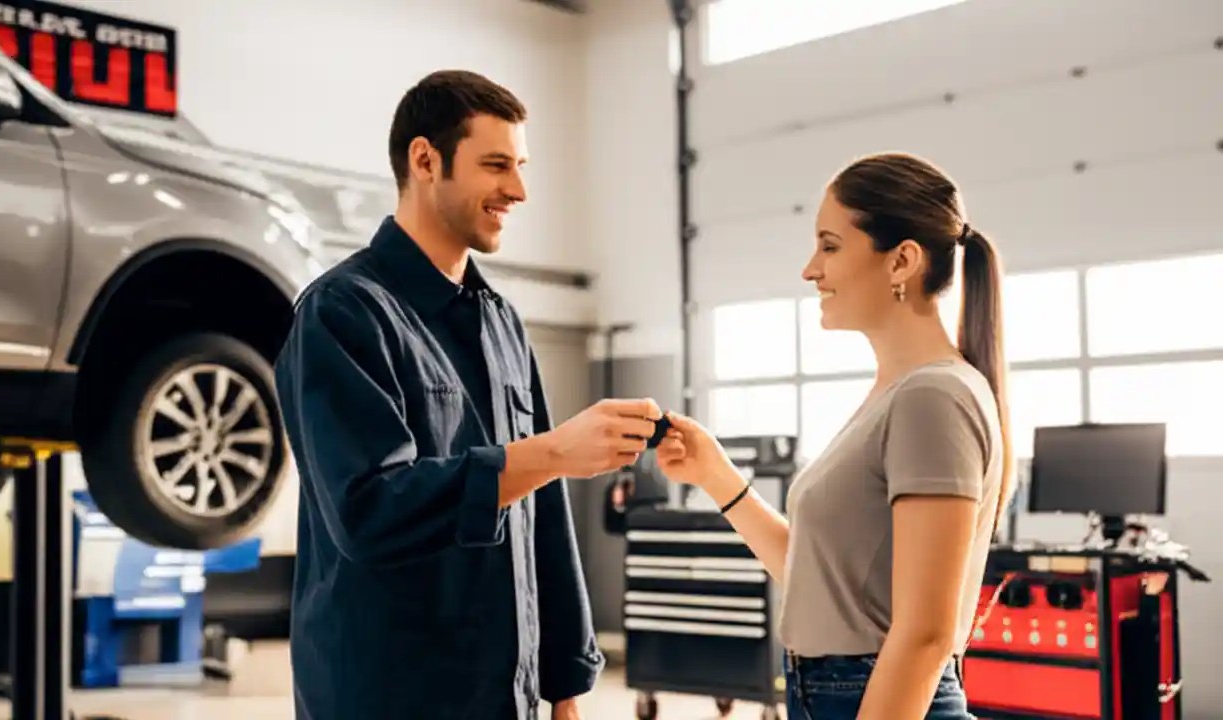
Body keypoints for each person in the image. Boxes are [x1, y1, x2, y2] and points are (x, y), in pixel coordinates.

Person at [273, 70, 662, 720]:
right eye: (495, 165)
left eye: (521, 165)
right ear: (425, 160)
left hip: (503, 698)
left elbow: (544, 521)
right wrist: (553, 452)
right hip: (385, 696)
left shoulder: (502, 320)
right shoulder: (340, 315)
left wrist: (564, 687)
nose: (519, 189)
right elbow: (368, 512)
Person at [655, 152, 1012, 720]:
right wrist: (713, 474)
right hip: (833, 691)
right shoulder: (898, 394)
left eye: (830, 245)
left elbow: (924, 633)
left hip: (871, 697)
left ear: (901, 261)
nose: (810, 269)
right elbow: (820, 576)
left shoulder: (932, 398)